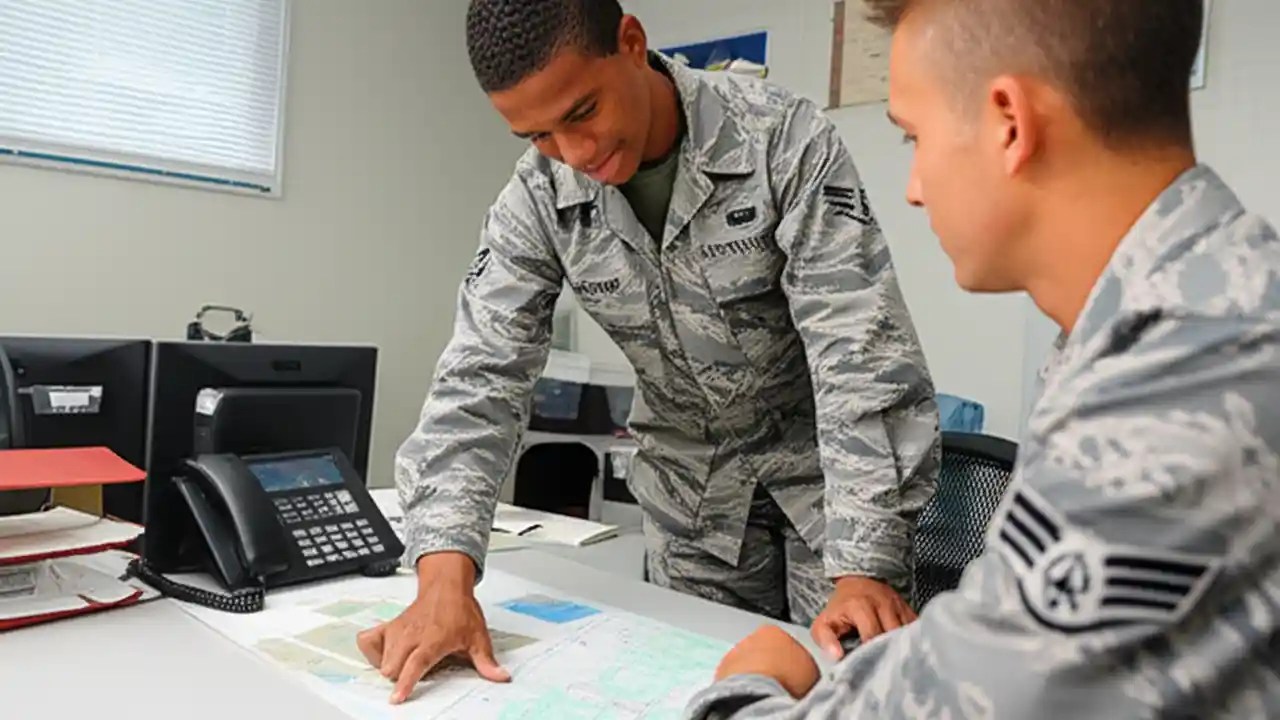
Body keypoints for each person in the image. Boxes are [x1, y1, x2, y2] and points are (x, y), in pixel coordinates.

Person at [684, 0, 1280, 717]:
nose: (914, 188)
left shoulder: (1170, 392)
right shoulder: (1206, 310)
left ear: (1008, 123)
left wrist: (747, 688)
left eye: (913, 138)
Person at [356, 0, 941, 705]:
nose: (574, 153)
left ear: (631, 42)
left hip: (837, 501)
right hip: (694, 512)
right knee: (696, 698)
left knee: (855, 700)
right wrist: (444, 580)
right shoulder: (538, 198)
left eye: (582, 112)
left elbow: (860, 353)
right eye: (538, 134)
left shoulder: (781, 141)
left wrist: (865, 564)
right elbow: (479, 378)